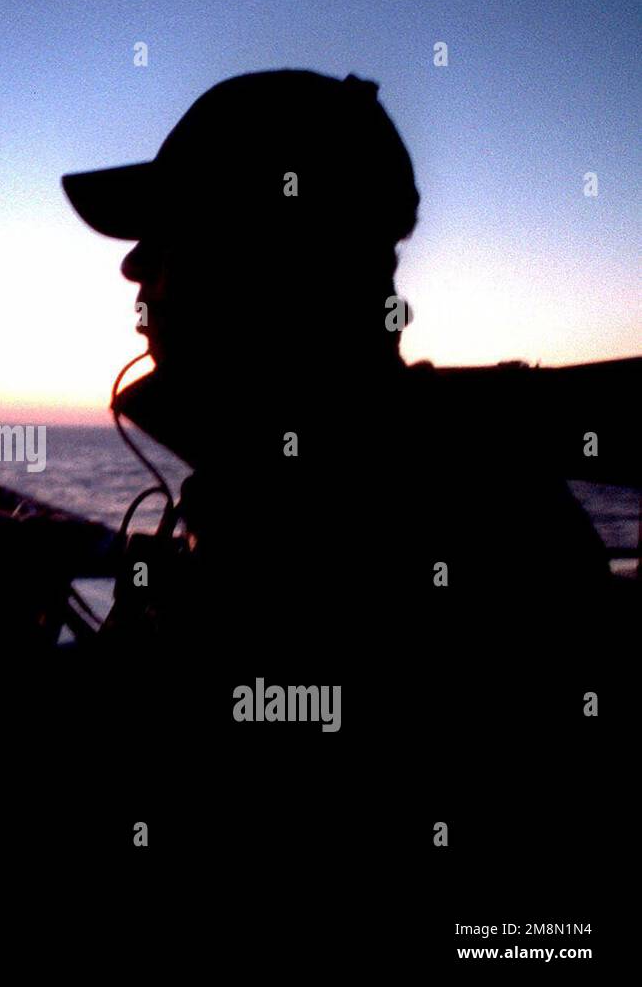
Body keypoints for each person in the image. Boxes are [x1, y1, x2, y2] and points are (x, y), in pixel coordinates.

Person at [60, 69, 609, 662]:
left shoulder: (401, 525)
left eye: (173, 235)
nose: (134, 268)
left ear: (278, 259)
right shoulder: (323, 476)